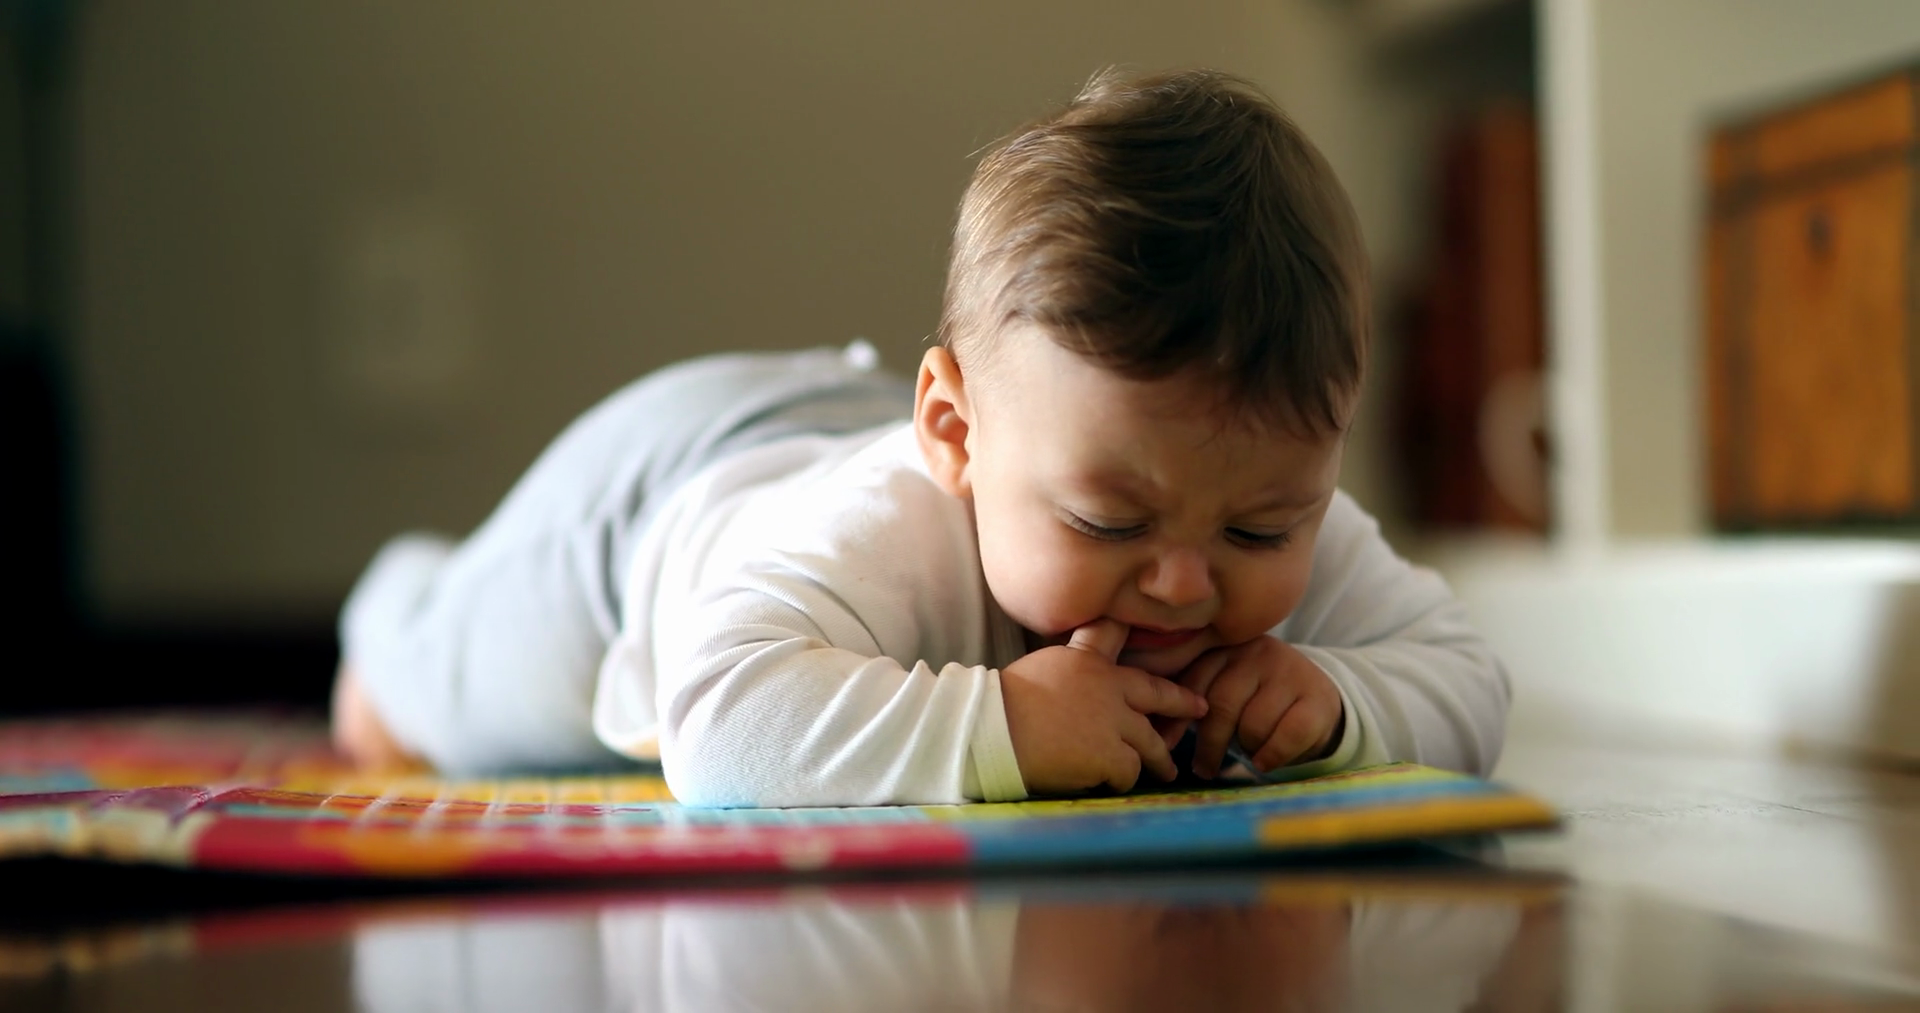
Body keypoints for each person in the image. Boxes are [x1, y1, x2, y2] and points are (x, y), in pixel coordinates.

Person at [331, 68, 1510, 807]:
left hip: (857, 425)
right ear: (958, 435)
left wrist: (1339, 698)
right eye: (1110, 521)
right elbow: (717, 722)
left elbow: (1471, 681)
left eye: (1262, 530)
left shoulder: (1216, 476)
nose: (1187, 582)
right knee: (448, 700)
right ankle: (396, 612)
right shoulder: (891, 534)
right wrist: (1009, 724)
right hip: (650, 509)